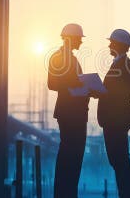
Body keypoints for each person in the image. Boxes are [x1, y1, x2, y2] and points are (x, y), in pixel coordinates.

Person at [91, 29, 130, 198]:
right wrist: (100, 91)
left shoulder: (124, 65)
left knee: (120, 160)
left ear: (119, 45)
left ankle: (128, 195)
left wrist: (99, 91)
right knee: (118, 161)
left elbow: (118, 94)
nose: (109, 46)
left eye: (112, 43)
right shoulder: (121, 64)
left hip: (116, 120)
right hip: (115, 119)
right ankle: (126, 194)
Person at [48, 23, 89, 198]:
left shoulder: (71, 59)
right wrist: (76, 83)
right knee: (70, 155)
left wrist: (85, 86)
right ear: (70, 39)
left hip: (76, 113)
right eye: (79, 39)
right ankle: (64, 193)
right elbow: (52, 83)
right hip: (70, 113)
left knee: (74, 156)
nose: (81, 42)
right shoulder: (58, 58)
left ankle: (68, 193)